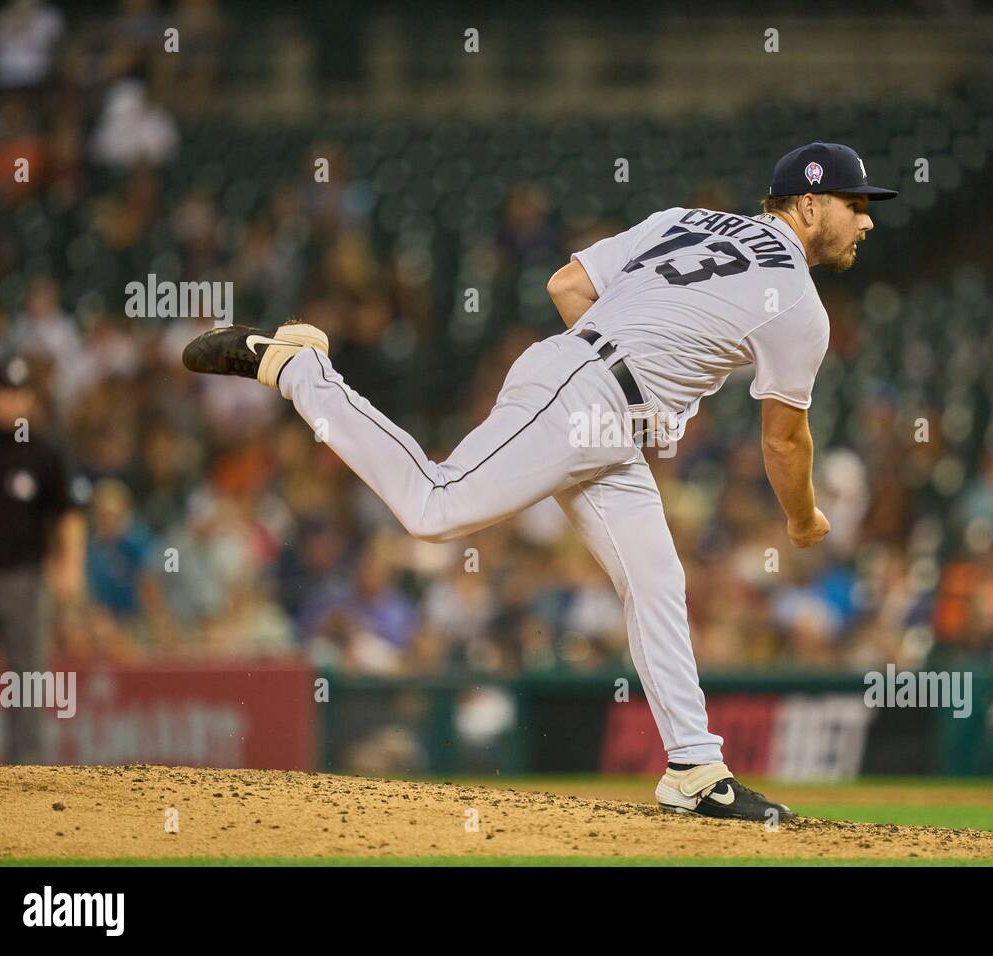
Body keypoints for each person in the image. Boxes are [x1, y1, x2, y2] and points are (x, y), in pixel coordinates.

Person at [181, 142, 897, 821]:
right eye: (854, 202)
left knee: (655, 578)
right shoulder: (798, 301)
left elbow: (568, 284)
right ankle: (301, 370)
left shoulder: (687, 220)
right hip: (583, 397)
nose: (866, 219)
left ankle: (695, 769)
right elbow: (784, 438)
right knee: (434, 508)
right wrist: (802, 520)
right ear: (808, 204)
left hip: (596, 398)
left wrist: (629, 375)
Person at [0, 354, 85, 763]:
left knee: (28, 677)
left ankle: (28, 770)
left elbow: (67, 515)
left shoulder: (43, 452)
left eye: (17, 394)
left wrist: (69, 569)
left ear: (28, 398)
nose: (10, 402)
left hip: (25, 578)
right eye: (3, 393)